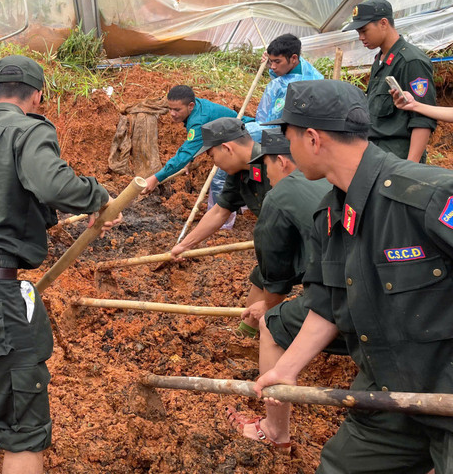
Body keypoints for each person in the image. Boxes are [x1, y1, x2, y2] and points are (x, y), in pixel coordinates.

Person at [0, 55, 121, 474]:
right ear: (36, 95)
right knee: (23, 431)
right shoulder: (29, 129)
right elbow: (52, 183)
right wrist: (98, 197)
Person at [255, 78, 453, 473]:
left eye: (289, 137)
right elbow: (330, 303)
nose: (286, 151)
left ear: (312, 139)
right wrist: (287, 368)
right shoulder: (330, 216)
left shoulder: (427, 195)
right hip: (391, 398)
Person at [225, 129, 338, 451]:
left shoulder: (280, 196)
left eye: (267, 166)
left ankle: (274, 431)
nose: (265, 176)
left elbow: (274, 276)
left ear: (281, 161)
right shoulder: (329, 176)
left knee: (273, 326)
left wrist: (268, 308)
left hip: (347, 294)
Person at [170, 117, 271, 328]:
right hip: (276, 245)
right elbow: (219, 212)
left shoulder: (276, 164)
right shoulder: (240, 171)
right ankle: (246, 338)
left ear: (226, 148)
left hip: (307, 240)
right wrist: (184, 245)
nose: (213, 162)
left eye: (212, 154)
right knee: (261, 284)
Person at [343, 0, 436, 161]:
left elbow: (422, 120)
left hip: (397, 159)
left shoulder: (411, 61)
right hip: (376, 155)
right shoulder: (380, 60)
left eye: (364, 30)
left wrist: (410, 166)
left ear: (383, 23)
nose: (361, 37)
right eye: (358, 33)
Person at [141, 85, 254, 199]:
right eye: (170, 108)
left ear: (191, 106)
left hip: (248, 135)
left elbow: (186, 152)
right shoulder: (196, 107)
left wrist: (156, 178)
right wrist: (190, 159)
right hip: (243, 134)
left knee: (220, 182)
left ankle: (227, 212)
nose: (172, 113)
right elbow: (194, 145)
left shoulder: (198, 121)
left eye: (177, 110)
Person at [256, 33, 323, 124]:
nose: (273, 67)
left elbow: (272, 125)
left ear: (294, 58)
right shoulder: (301, 66)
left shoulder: (301, 86)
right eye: (271, 61)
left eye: (277, 61)